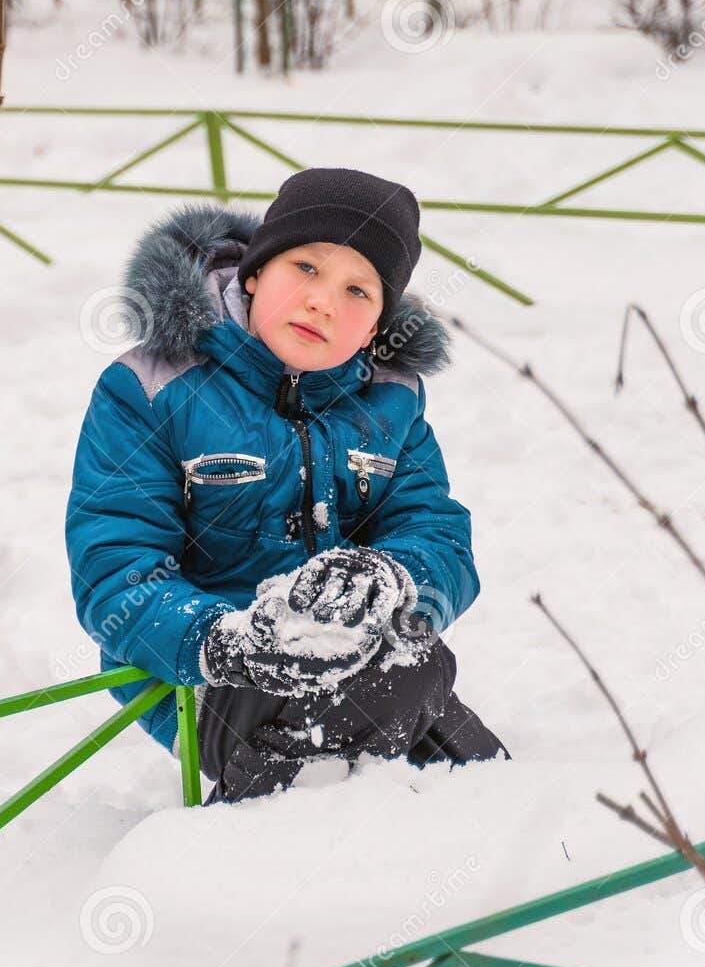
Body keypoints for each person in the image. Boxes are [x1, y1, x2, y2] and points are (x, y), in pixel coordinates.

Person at [64, 167, 510, 805]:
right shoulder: (151, 387)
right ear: (254, 272)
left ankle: (478, 837)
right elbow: (115, 573)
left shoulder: (391, 401)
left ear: (380, 324)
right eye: (306, 268)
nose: (324, 301)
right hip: (197, 676)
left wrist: (391, 578)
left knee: (417, 675)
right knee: (410, 681)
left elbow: (436, 532)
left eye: (358, 290)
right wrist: (231, 640)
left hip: (359, 655)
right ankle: (244, 849)